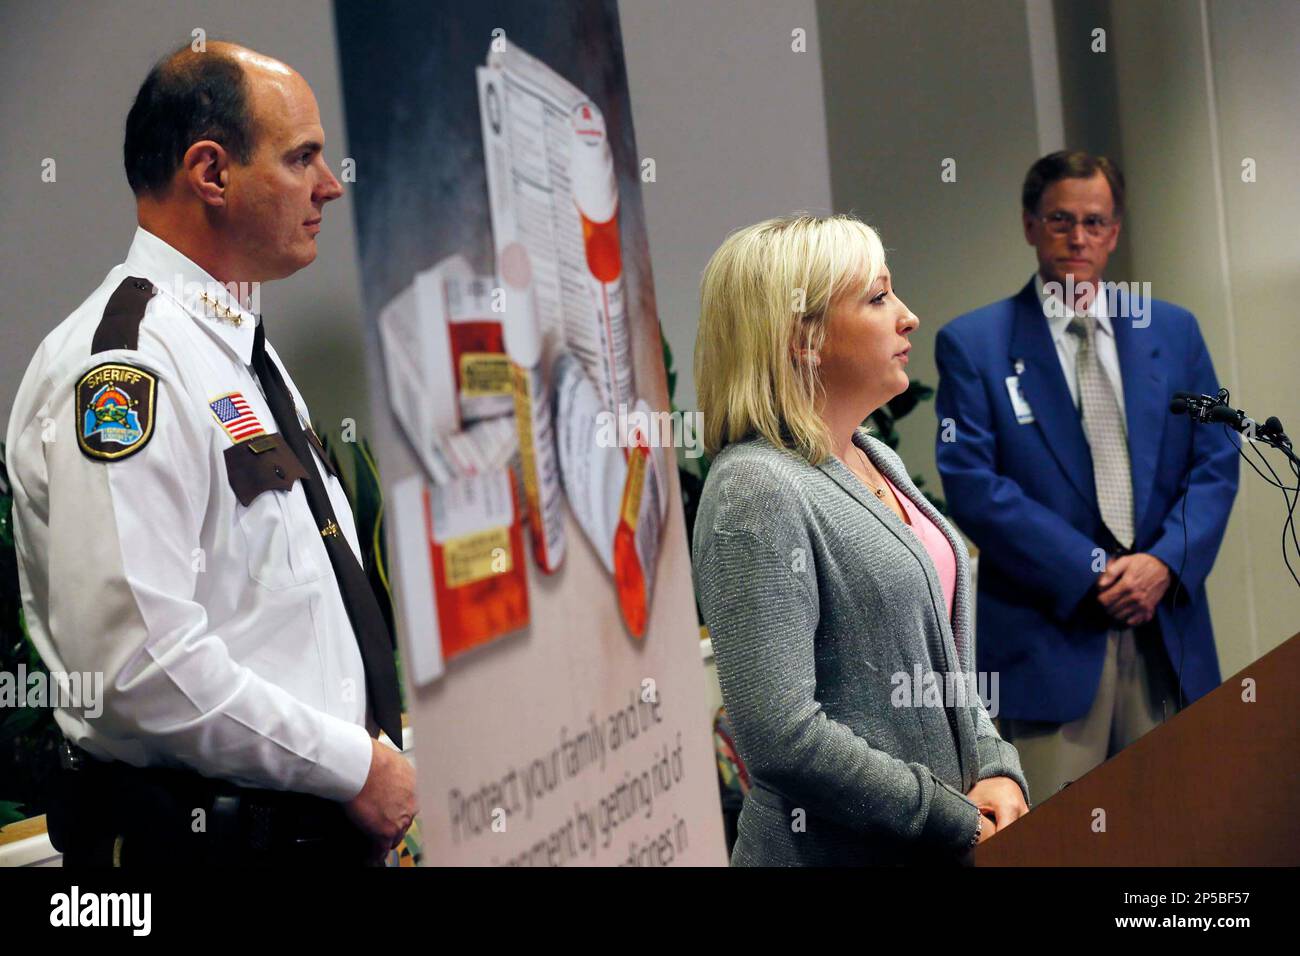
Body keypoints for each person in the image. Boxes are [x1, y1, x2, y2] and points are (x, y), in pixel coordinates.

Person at [5, 41, 415, 865]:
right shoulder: (125, 369)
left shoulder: (231, 348)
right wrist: (355, 766)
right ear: (211, 173)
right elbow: (138, 669)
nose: (330, 185)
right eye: (301, 158)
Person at [692, 214, 1029, 866]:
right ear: (802, 338)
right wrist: (948, 815)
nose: (908, 317)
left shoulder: (873, 454)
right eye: (877, 298)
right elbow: (781, 735)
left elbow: (945, 667)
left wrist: (994, 765)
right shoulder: (756, 490)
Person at [934, 151, 1240, 803]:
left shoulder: (1172, 329)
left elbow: (1214, 462)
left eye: (1095, 222)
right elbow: (974, 484)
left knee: (1183, 827)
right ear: (1029, 225)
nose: (1078, 238)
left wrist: (1162, 563)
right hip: (1051, 636)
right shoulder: (975, 344)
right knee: (1062, 838)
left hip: (1167, 631)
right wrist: (1096, 570)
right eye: (1061, 220)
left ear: (1116, 231)